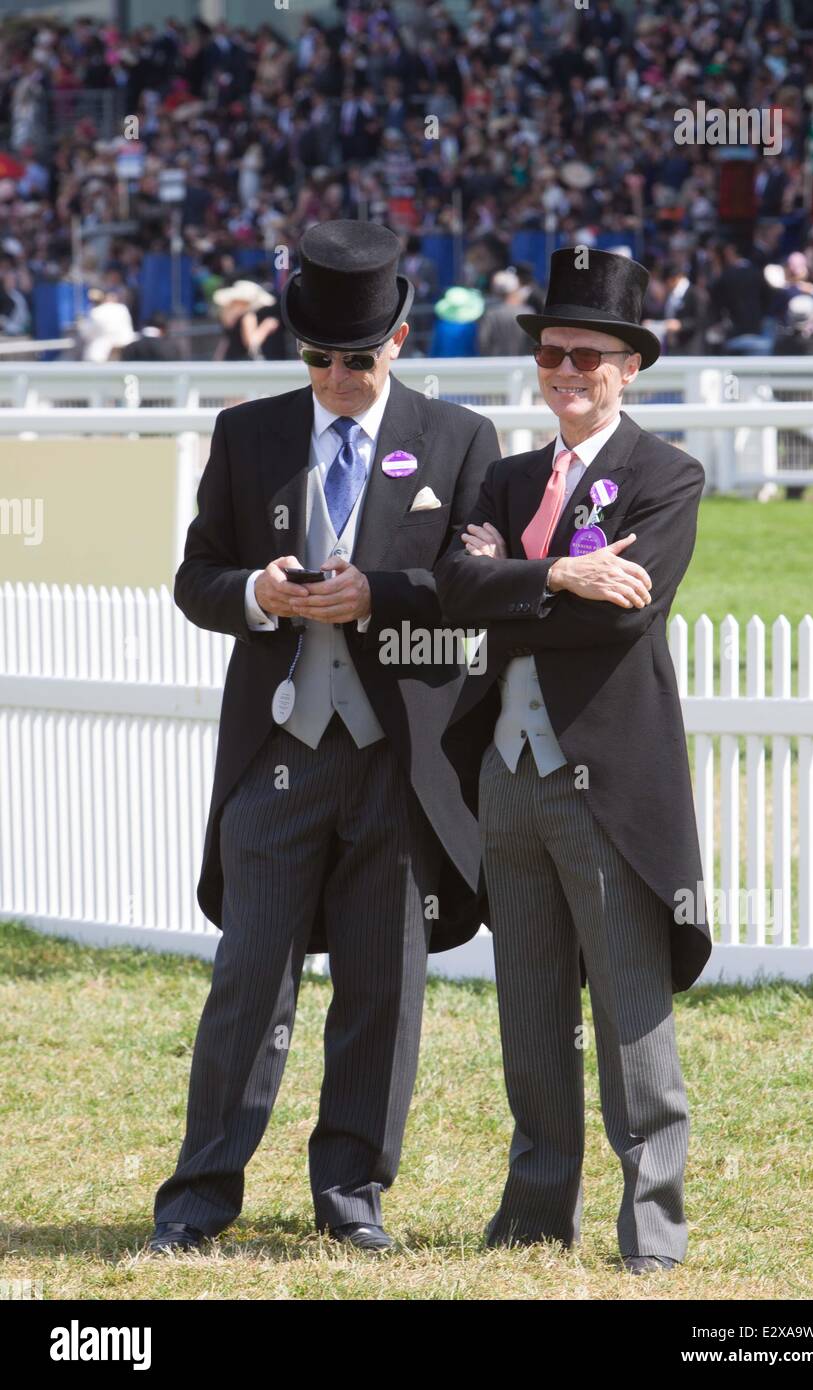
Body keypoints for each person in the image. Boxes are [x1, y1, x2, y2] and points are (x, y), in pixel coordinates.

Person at [148, 219, 500, 1255]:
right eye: (317, 358)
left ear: (397, 342)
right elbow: (194, 576)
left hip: (397, 761)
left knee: (381, 991)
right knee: (247, 979)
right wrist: (255, 593)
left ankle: (351, 1194)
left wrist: (376, 594)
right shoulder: (248, 432)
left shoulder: (459, 439)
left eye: (355, 357)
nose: (337, 377)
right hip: (278, 754)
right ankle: (199, 1194)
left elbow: (474, 591)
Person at [435, 247, 711, 1273]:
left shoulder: (664, 475)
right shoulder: (508, 476)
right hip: (504, 775)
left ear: (629, 364)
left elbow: (621, 625)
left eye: (585, 355)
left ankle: (652, 1229)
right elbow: (455, 585)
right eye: (549, 352)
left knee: (630, 1009)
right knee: (529, 1002)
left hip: (603, 779)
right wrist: (557, 571)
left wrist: (509, 582)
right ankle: (533, 1209)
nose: (563, 370)